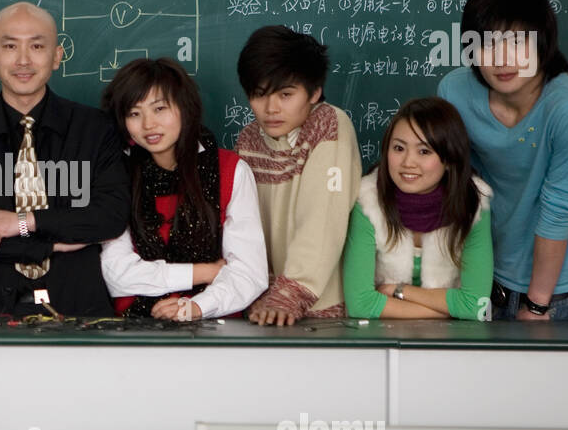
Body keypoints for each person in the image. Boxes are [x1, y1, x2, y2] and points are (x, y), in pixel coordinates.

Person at [0, 2, 129, 317]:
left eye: (37, 46)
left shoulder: (96, 130)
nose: (24, 60)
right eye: (10, 46)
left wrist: (23, 223)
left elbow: (110, 216)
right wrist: (53, 243)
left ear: (57, 55)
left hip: (80, 310)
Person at [438, 0, 568, 321]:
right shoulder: (455, 93)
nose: (501, 59)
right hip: (483, 277)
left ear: (543, 44)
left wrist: (537, 304)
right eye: (486, 44)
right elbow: (453, 184)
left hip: (556, 288)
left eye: (516, 43)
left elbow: (559, 211)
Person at [99, 57, 268, 320]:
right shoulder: (118, 174)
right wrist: (204, 272)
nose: (148, 124)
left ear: (184, 108)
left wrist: (197, 306)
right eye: (134, 113)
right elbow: (114, 274)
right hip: (134, 328)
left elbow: (250, 273)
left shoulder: (230, 170)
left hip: (216, 327)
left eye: (160, 109)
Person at [234, 26, 361, 325]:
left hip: (319, 309)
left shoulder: (329, 124)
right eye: (259, 94)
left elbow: (322, 218)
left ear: (314, 91)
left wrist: (290, 293)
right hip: (260, 307)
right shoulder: (248, 139)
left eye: (286, 94)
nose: (271, 108)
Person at [343, 98, 493, 319]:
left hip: (451, 342)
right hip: (378, 341)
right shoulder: (367, 200)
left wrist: (398, 291)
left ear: (449, 158)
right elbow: (360, 305)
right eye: (399, 148)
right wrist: (449, 309)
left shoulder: (474, 203)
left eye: (424, 151)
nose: (408, 162)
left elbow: (476, 306)